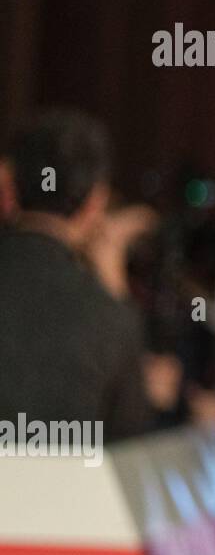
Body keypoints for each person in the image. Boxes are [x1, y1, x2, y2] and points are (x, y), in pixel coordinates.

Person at [0, 108, 176, 442]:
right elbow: (127, 447)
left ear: (9, 187)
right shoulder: (109, 317)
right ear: (96, 202)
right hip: (58, 493)